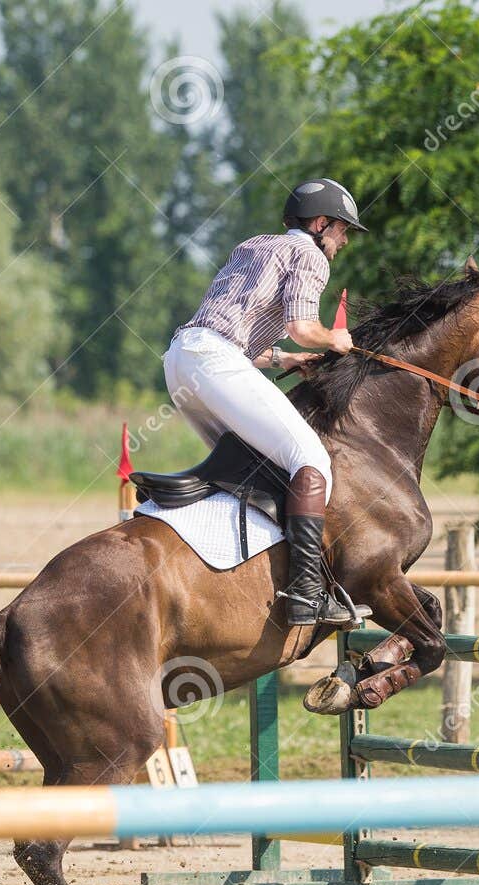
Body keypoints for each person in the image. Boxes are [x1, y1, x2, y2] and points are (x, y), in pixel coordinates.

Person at [163, 178, 366, 627]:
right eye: (342, 229)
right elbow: (302, 324)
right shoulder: (310, 255)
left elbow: (232, 337)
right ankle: (306, 595)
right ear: (319, 223)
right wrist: (335, 339)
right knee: (311, 460)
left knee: (249, 465)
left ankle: (233, 573)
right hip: (214, 360)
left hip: (181, 359)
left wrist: (287, 359)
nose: (345, 240)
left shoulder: (254, 245)